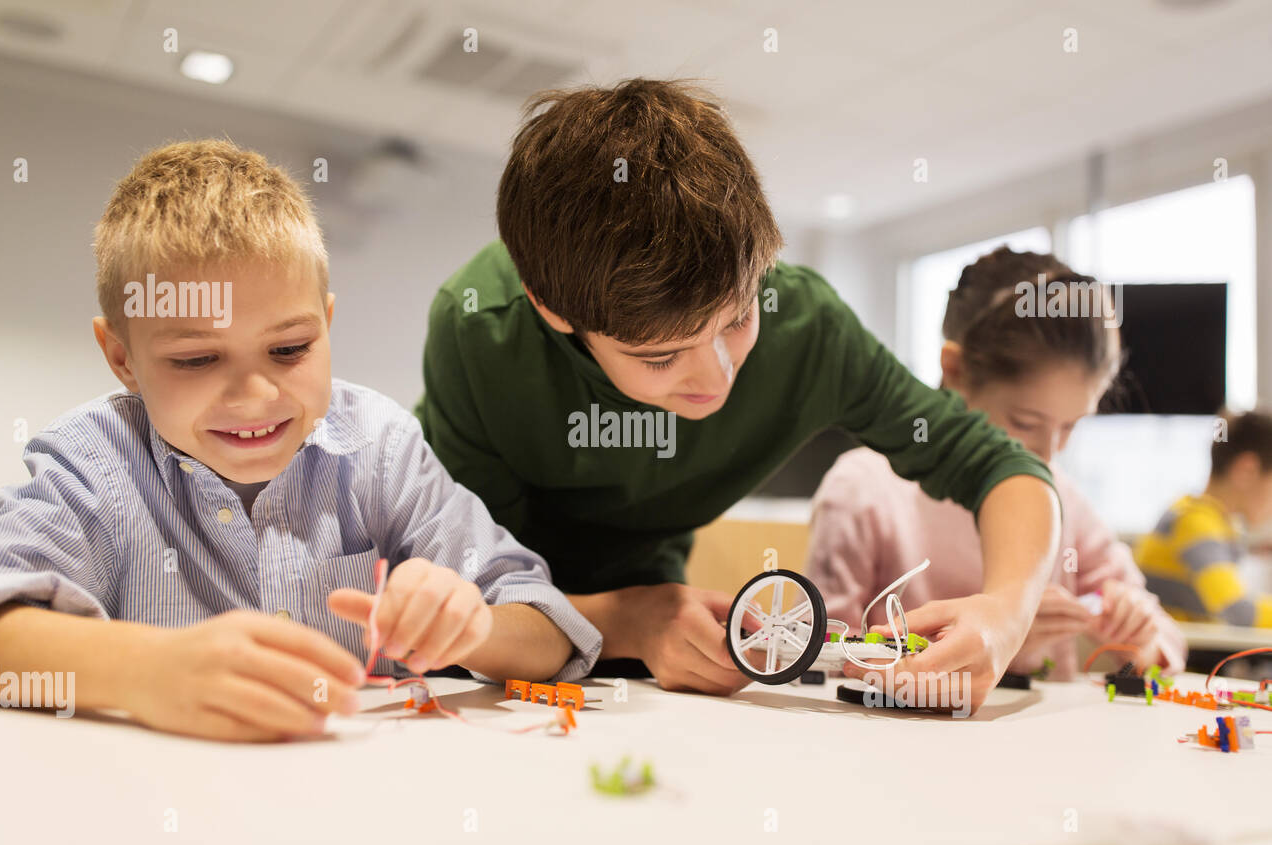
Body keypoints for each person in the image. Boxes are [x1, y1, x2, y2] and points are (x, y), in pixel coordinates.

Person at [414, 79, 1062, 712]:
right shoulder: (479, 333)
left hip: (652, 629)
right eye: (661, 356)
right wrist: (630, 619)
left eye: (737, 320)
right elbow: (466, 587)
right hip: (483, 649)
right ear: (552, 311)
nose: (716, 377)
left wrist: (1005, 614)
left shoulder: (807, 326)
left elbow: (1001, 466)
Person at [0, 140, 600, 742]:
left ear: (325, 325)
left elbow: (548, 631)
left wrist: (473, 625)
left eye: (289, 349)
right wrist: (146, 670)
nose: (254, 396)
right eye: (195, 359)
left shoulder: (381, 447)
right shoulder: (93, 460)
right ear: (122, 358)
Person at [806, 247, 1185, 680]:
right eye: (1024, 422)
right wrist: (1004, 633)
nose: (1047, 453)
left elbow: (1168, 644)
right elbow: (821, 657)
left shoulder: (1063, 499)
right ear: (954, 370)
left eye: (1070, 426)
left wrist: (1138, 638)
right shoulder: (864, 489)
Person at [1135, 410, 1272, 628]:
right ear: (1247, 471)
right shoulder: (1196, 523)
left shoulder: (1211, 521)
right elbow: (1236, 610)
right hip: (1179, 659)